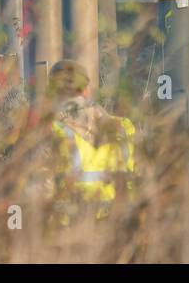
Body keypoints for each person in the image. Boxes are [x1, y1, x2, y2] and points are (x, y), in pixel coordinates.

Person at [46, 59, 137, 221]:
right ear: (87, 90)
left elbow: (41, 196)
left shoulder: (52, 135)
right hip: (121, 229)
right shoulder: (125, 129)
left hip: (72, 234)